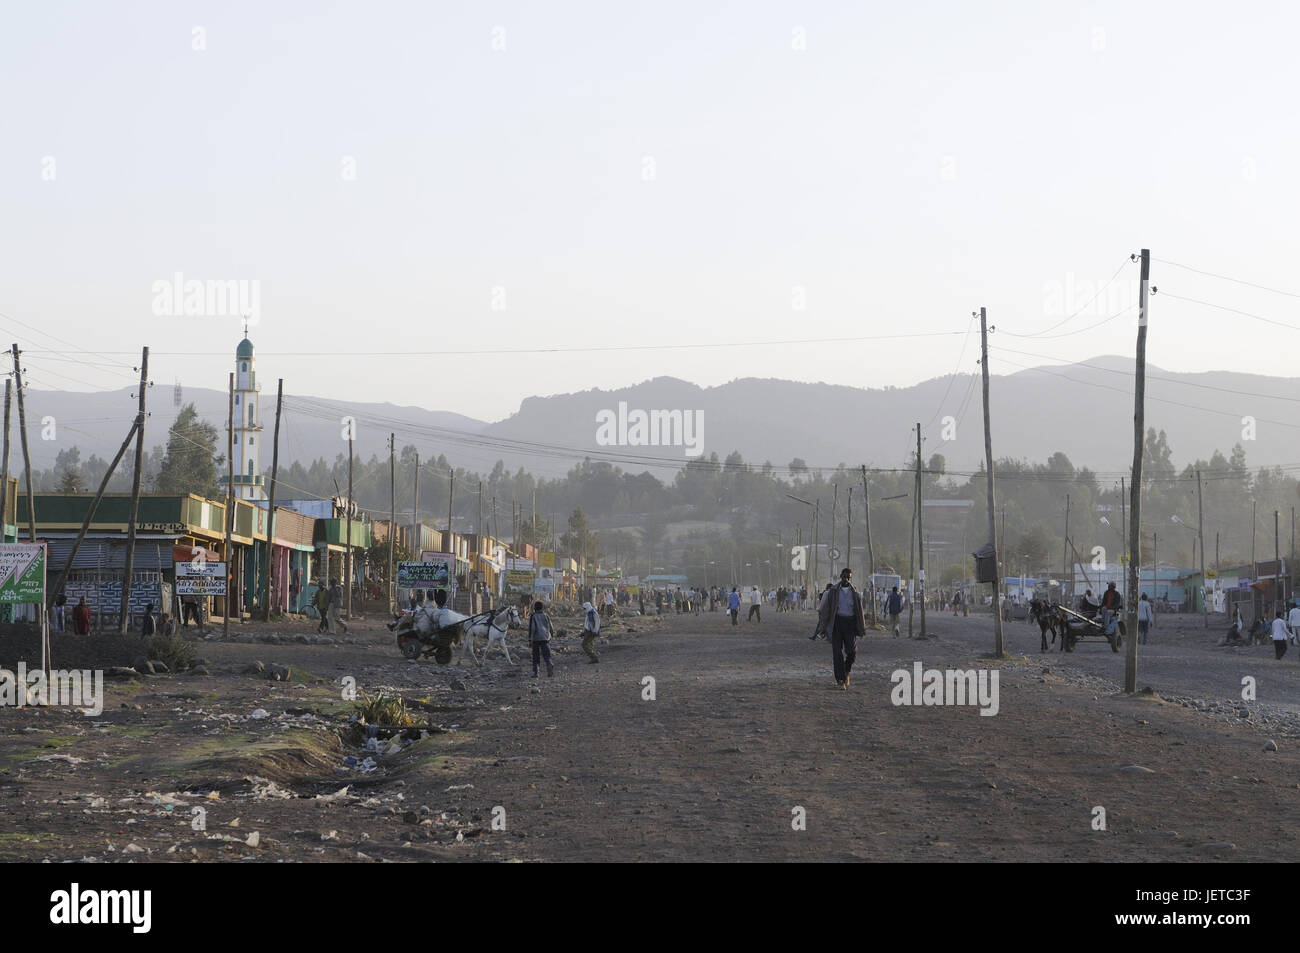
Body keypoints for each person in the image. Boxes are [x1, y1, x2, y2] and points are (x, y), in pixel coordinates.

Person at [818, 568, 867, 690]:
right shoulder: (833, 592)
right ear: (841, 576)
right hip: (837, 623)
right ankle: (840, 679)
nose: (846, 579)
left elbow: (860, 611)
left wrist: (861, 628)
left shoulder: (855, 593)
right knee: (837, 652)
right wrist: (823, 628)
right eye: (845, 576)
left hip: (850, 624)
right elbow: (825, 611)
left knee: (852, 651)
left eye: (849, 577)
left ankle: (846, 671)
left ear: (851, 578)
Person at [529, 600, 555, 678]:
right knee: (547, 655)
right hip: (545, 638)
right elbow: (551, 626)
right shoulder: (546, 615)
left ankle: (536, 673)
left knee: (536, 656)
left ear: (534, 608)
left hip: (536, 639)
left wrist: (530, 639)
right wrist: (551, 635)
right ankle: (549, 664)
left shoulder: (533, 616)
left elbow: (532, 628)